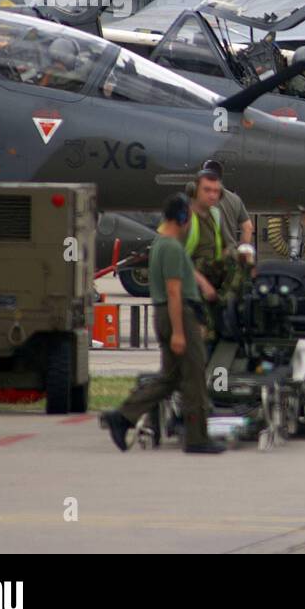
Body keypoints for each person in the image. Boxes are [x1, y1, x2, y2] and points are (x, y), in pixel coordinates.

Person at [102, 193, 224, 453]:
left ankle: (123, 416)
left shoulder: (161, 244)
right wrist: (180, 332)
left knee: (169, 378)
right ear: (181, 218)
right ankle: (197, 438)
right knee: (194, 377)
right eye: (189, 218)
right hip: (178, 316)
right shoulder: (170, 247)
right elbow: (173, 291)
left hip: (167, 314)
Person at [185, 166, 251, 337]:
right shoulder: (184, 217)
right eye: (207, 190)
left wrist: (242, 259)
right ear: (195, 190)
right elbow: (174, 259)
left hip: (209, 276)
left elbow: (221, 250)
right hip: (189, 279)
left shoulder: (214, 213)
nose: (213, 195)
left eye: (216, 191)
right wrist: (204, 284)